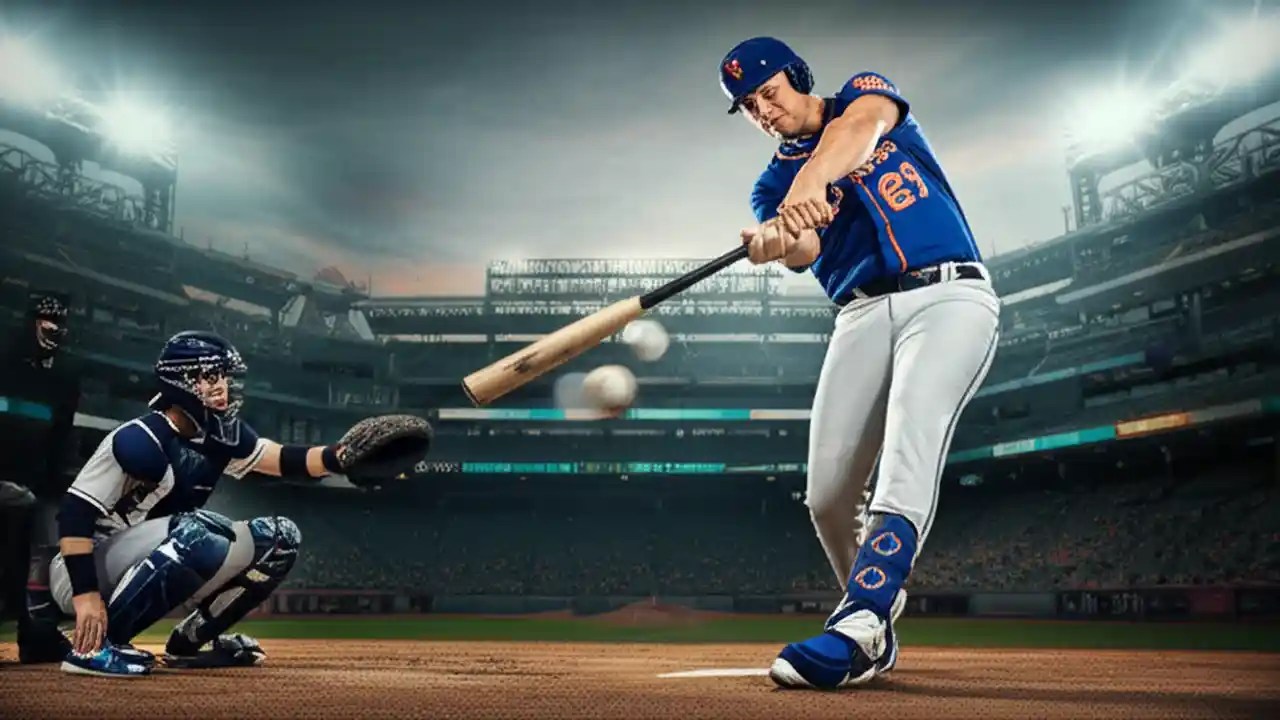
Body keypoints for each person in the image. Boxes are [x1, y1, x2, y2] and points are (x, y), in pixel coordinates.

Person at [722, 37, 1001, 689]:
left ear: (797, 76)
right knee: (826, 496)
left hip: (948, 296)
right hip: (861, 314)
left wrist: (813, 179)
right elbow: (804, 248)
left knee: (910, 435)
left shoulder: (861, 95)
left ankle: (860, 620)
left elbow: (860, 128)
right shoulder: (770, 185)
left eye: (769, 92)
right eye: (748, 106)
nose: (763, 110)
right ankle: (873, 622)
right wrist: (776, 242)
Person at [49, 330, 347, 677]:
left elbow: (284, 460)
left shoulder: (219, 437)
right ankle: (93, 647)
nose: (222, 385)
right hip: (82, 569)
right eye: (209, 376)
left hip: (163, 549)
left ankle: (192, 642)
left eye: (223, 375)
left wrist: (340, 457)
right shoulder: (140, 438)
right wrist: (86, 597)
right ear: (180, 381)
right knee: (199, 531)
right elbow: (74, 513)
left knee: (281, 538)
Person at [0, 291, 83, 664]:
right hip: (10, 483)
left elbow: (62, 437)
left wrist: (58, 484)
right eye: (49, 323)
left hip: (31, 488)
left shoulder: (63, 380)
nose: (57, 331)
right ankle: (32, 634)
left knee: (23, 559)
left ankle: (32, 635)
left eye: (62, 325)